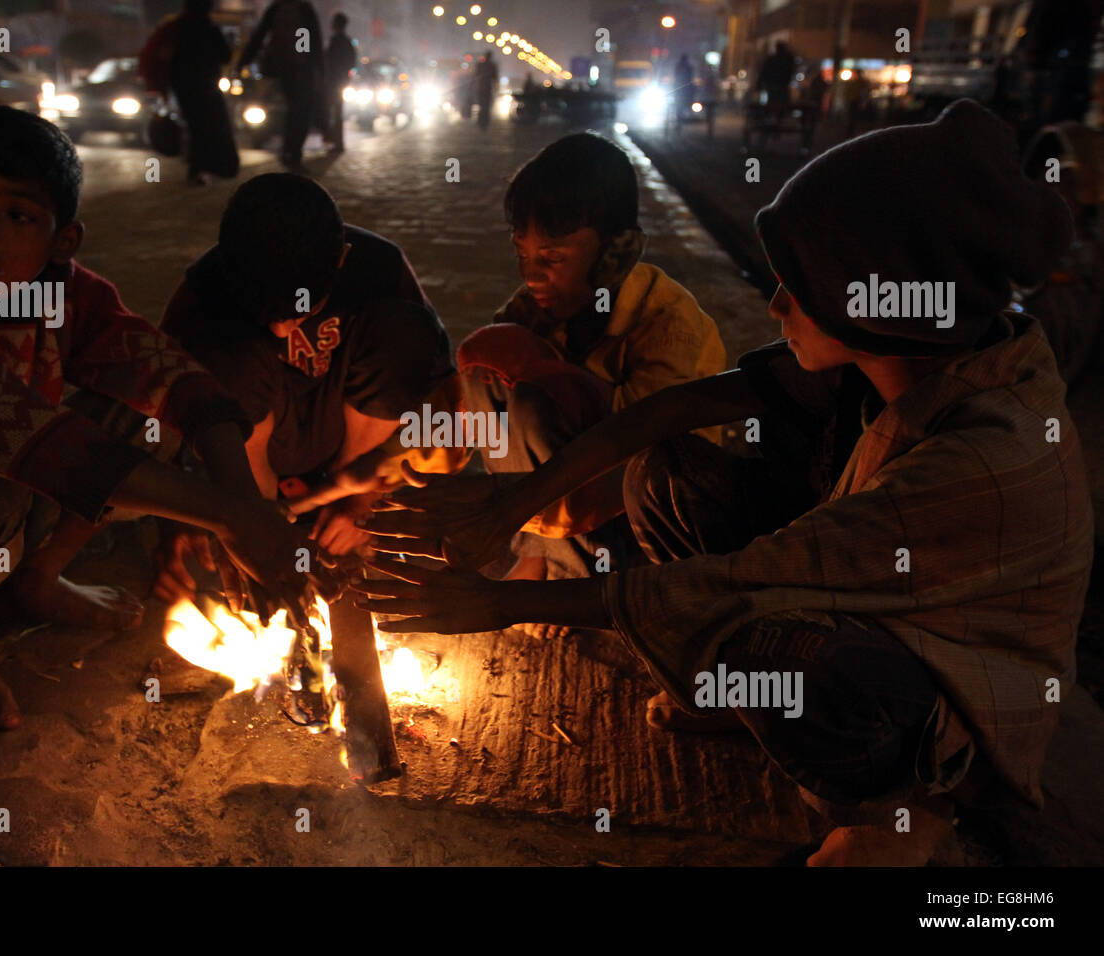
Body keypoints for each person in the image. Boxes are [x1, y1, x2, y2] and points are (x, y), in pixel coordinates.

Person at [356, 100, 1092, 866]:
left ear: (877, 305)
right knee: (666, 473)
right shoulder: (909, 351)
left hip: (947, 688)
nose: (774, 308)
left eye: (797, 291)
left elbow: (735, 583)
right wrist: (508, 502)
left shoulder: (976, 460)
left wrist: (499, 603)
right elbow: (682, 407)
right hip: (860, 598)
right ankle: (734, 705)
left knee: (766, 650)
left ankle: (900, 808)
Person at [0, 106, 313, 740]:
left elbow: (175, 377)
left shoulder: (66, 293)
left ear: (62, 241)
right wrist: (232, 518)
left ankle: (35, 580)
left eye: (16, 216)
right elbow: (22, 438)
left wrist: (245, 504)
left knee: (139, 409)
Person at [452, 132, 725, 638]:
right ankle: (541, 554)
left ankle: (586, 579)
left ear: (613, 255)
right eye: (523, 254)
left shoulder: (669, 325)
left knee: (539, 393)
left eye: (552, 259)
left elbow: (631, 448)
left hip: (659, 505)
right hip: (564, 504)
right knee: (490, 356)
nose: (532, 276)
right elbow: (476, 405)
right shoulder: (531, 307)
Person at [153, 173, 465, 596]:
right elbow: (162, 409)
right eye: (266, 313)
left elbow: (441, 401)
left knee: (404, 332)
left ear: (341, 258)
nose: (282, 331)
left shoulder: (378, 268)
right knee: (230, 358)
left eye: (297, 311)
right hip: (258, 456)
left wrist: (363, 497)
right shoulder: (205, 288)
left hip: (350, 452)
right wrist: (185, 514)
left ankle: (346, 510)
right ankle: (257, 517)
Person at [238, 0, 322, 167]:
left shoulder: (276, 8)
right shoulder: (303, 9)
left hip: (278, 68)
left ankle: (289, 151)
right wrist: (308, 63)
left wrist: (244, 61)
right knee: (299, 112)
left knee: (290, 110)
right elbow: (309, 37)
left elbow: (259, 35)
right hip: (298, 69)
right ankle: (293, 152)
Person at [169, 0, 239, 185]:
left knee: (196, 126)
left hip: (184, 87)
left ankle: (197, 168)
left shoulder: (177, 28)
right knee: (210, 126)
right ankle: (207, 167)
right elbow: (225, 55)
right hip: (206, 87)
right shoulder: (209, 29)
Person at [323, 11, 355, 152]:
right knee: (337, 112)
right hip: (340, 81)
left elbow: (329, 60)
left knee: (331, 111)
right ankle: (337, 141)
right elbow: (351, 62)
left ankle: (335, 140)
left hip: (333, 82)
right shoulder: (346, 42)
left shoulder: (337, 41)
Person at [758, 41, 794, 108]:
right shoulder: (786, 59)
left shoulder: (772, 59)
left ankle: (774, 114)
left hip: (776, 85)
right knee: (779, 103)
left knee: (774, 102)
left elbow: (764, 72)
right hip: (779, 85)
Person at [474, 53, 498, 129]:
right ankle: (484, 121)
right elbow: (495, 77)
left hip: (482, 88)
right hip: (487, 89)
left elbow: (475, 75)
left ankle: (481, 121)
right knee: (486, 106)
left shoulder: (480, 65)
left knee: (482, 105)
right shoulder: (492, 66)